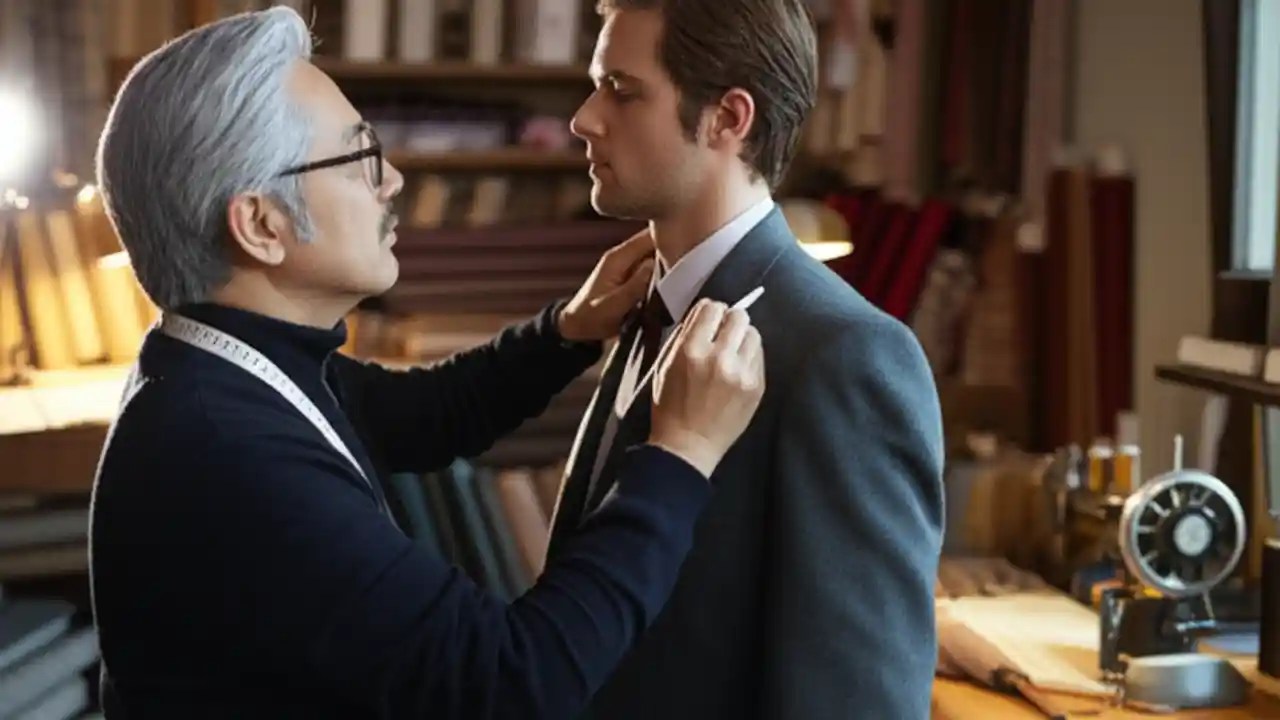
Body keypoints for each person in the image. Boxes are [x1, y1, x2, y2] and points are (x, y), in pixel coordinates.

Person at [88, 7, 766, 719]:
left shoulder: (229, 364)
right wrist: (680, 455)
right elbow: (512, 682)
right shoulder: (227, 453)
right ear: (261, 224)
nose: (393, 181)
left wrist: (566, 332)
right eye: (358, 159)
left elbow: (420, 418)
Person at [547, 1, 945, 718]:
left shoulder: (847, 356)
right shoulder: (643, 304)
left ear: (729, 118)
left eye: (622, 90)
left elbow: (859, 701)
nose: (584, 118)